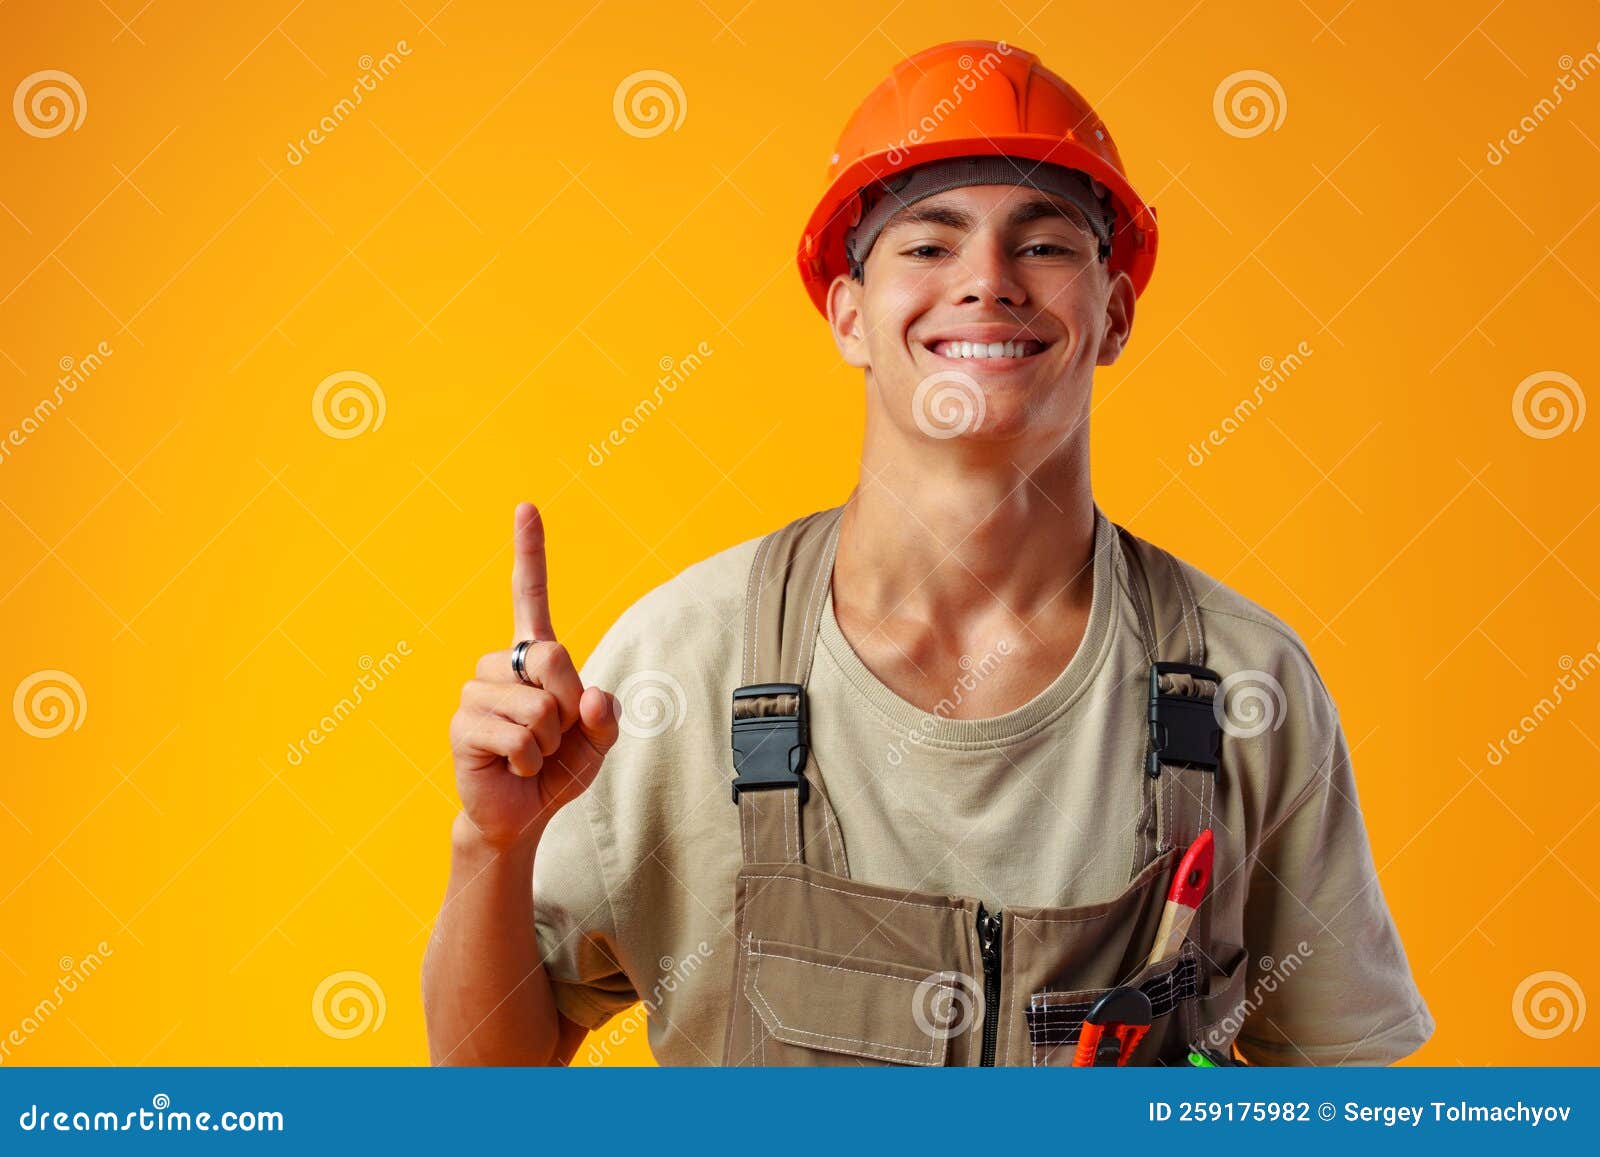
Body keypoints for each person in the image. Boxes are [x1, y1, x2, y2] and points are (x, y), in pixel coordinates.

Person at [421, 39, 1435, 1067]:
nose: (987, 282)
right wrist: (491, 845)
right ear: (849, 314)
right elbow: (489, 1085)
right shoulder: (683, 662)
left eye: (1043, 244)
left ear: (1114, 312)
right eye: (928, 244)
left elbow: (1340, 1095)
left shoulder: (1241, 683)